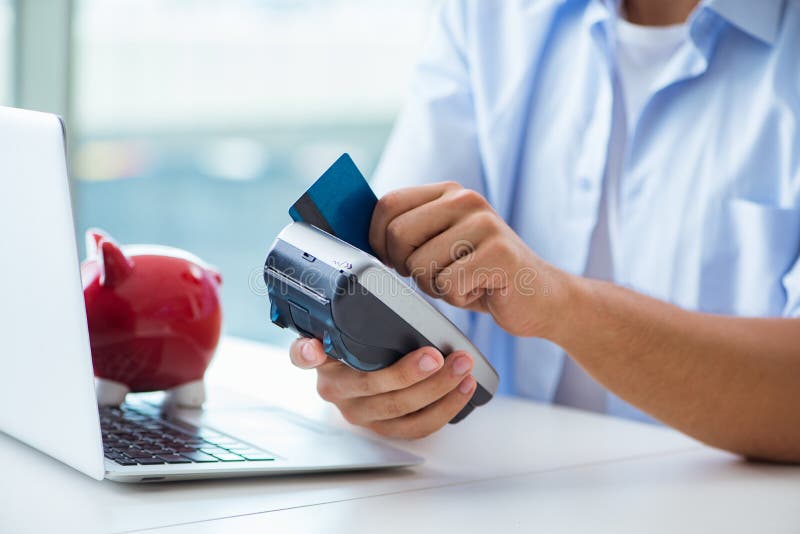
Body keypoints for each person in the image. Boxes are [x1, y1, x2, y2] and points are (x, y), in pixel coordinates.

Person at [289, 0, 800, 463]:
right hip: (496, 492)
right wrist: (375, 377)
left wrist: (560, 305)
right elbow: (395, 263)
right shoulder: (488, 17)